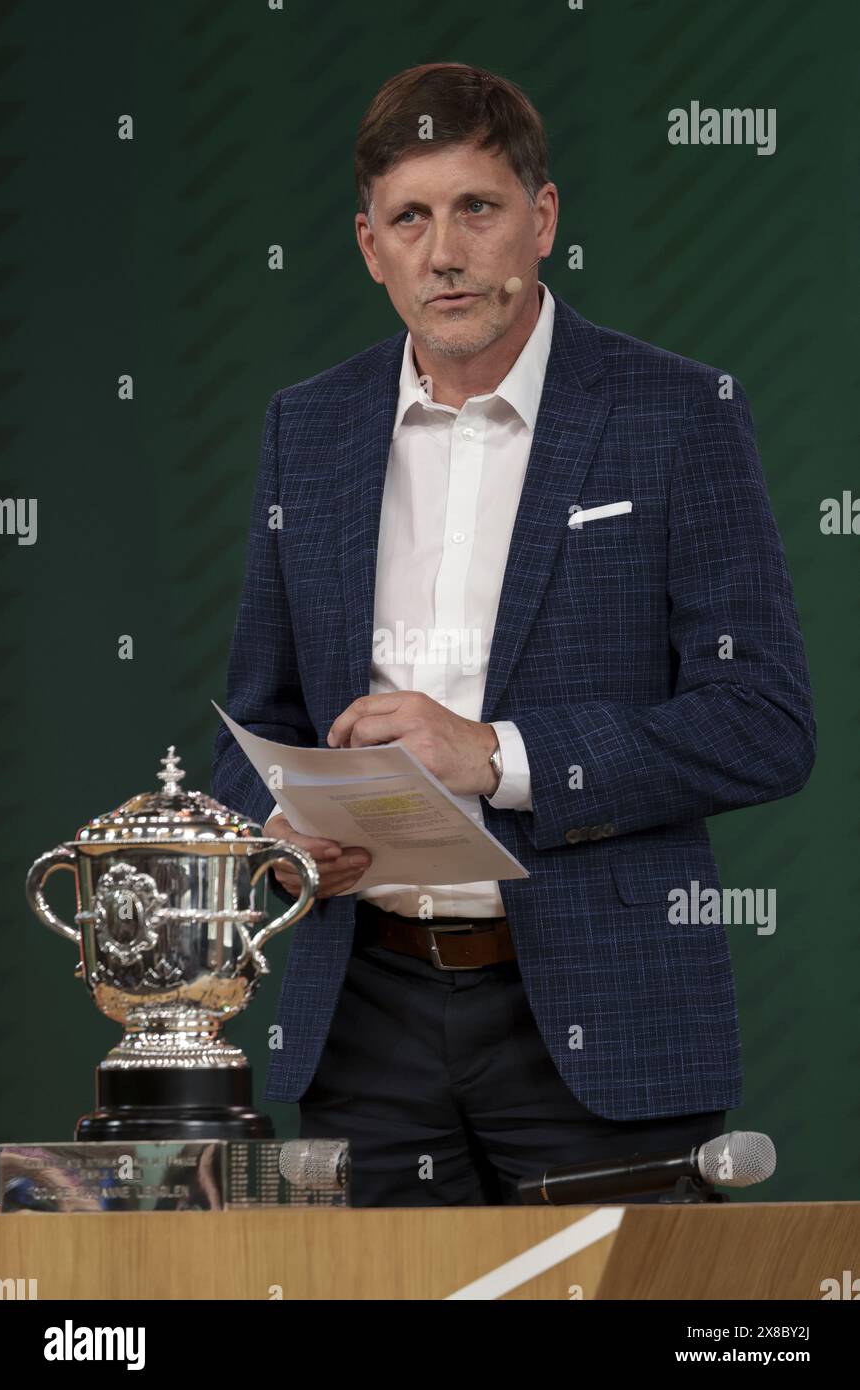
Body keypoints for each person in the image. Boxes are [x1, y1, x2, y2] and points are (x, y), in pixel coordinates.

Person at [211, 63, 815, 1207]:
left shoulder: (675, 414)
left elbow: (764, 724)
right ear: (368, 245)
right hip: (364, 1025)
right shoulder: (309, 429)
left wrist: (493, 756)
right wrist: (278, 834)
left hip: (607, 1023)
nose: (445, 251)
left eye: (475, 208)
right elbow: (259, 722)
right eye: (410, 218)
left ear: (540, 219)